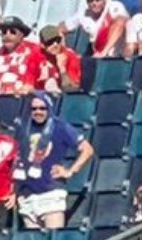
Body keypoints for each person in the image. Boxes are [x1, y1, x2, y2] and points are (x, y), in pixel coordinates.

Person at [14, 93, 89, 230]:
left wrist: (70, 171)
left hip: (50, 193)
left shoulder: (60, 127)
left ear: (49, 108)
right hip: (27, 195)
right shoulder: (23, 128)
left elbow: (87, 150)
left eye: (42, 108)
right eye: (34, 109)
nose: (38, 112)